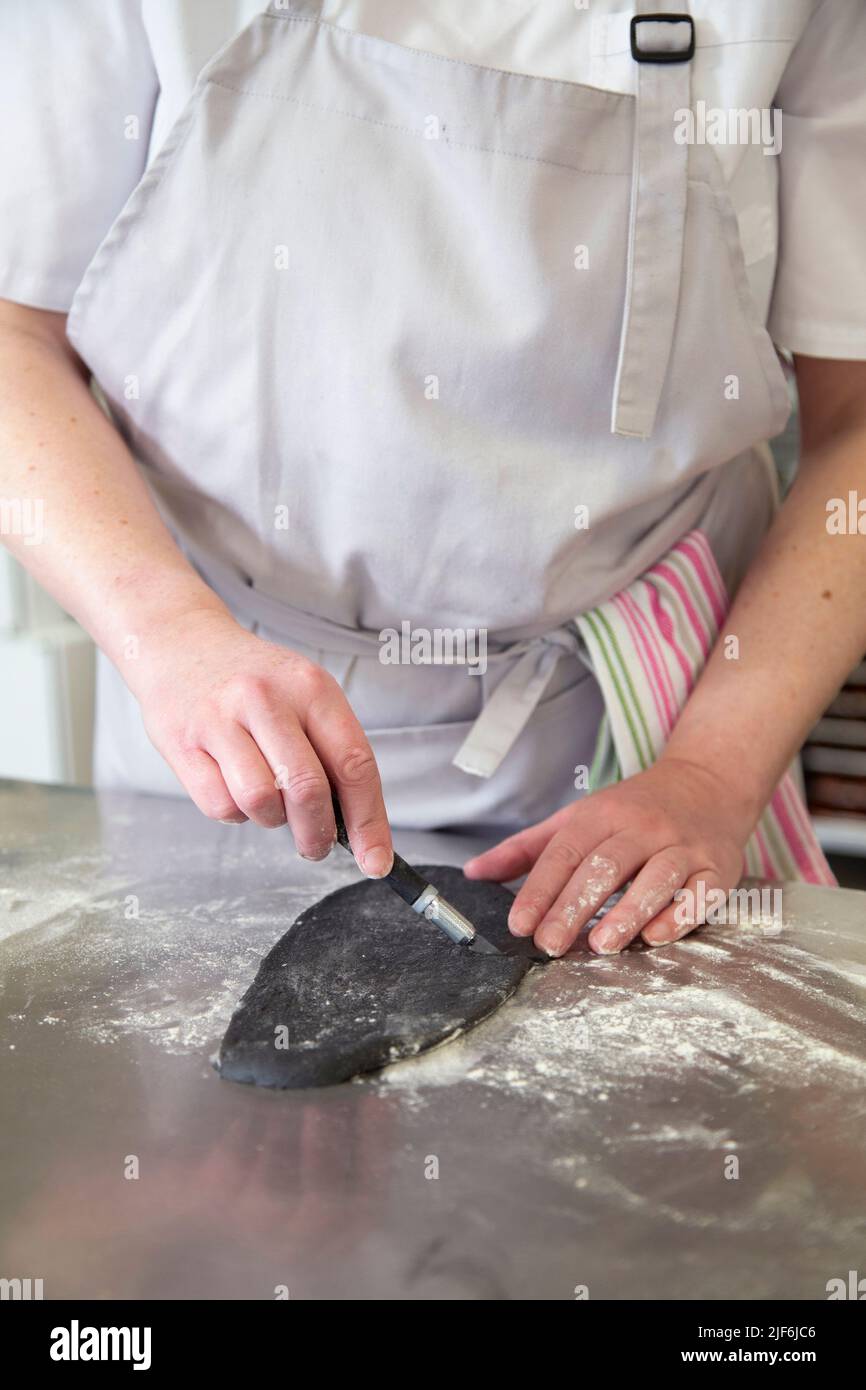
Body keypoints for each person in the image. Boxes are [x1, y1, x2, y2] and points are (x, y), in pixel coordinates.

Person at [1, 0, 864, 957]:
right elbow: (12, 340)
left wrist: (711, 774)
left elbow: (856, 421)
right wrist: (167, 632)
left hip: (651, 743)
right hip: (221, 723)